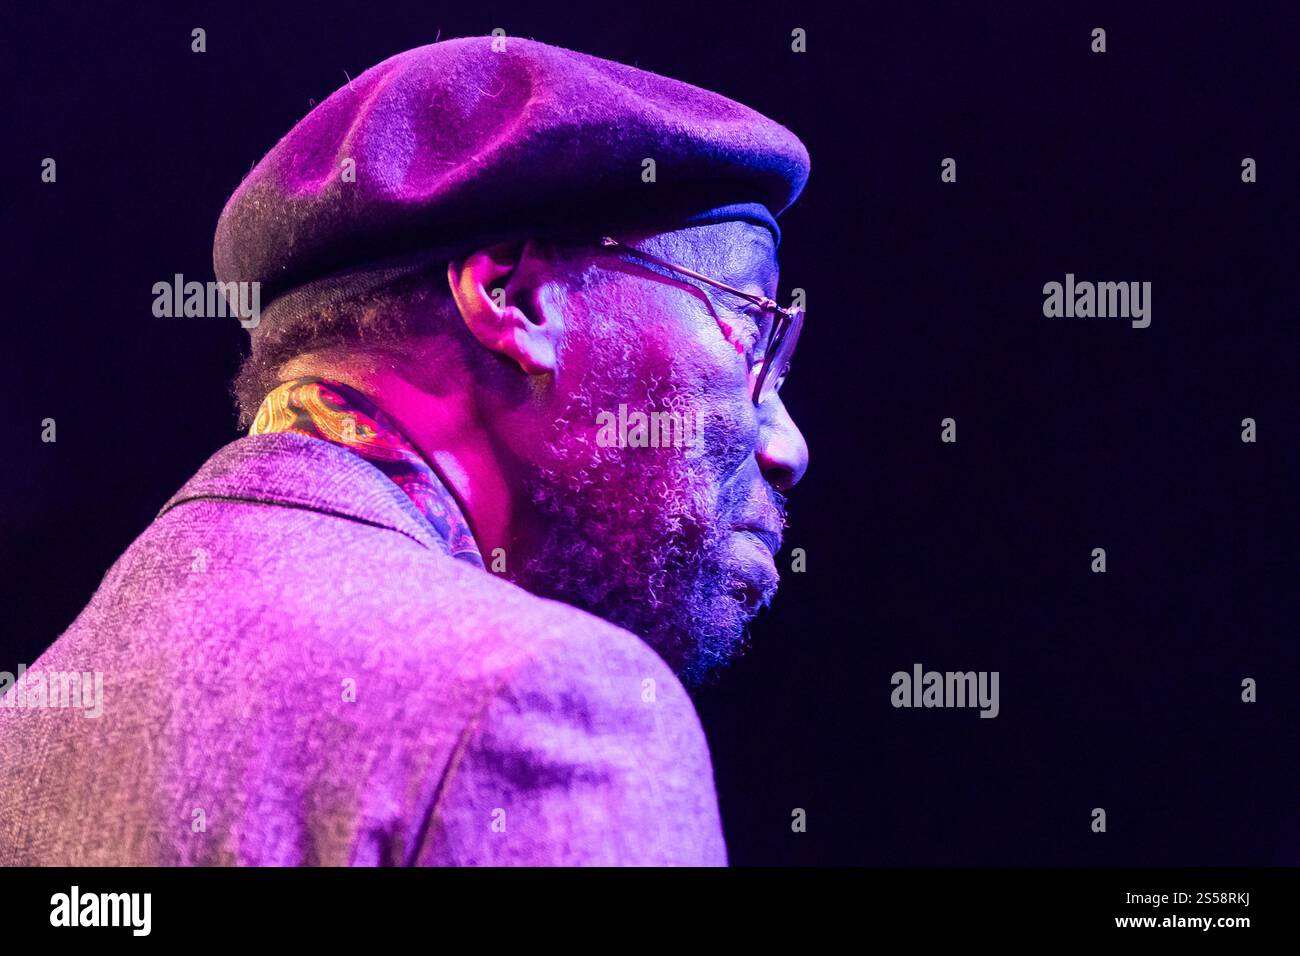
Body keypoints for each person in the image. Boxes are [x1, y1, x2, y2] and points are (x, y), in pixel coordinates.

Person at [0, 35, 809, 865]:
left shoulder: (38, 717)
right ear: (517, 298)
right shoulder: (542, 706)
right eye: (753, 330)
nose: (789, 446)